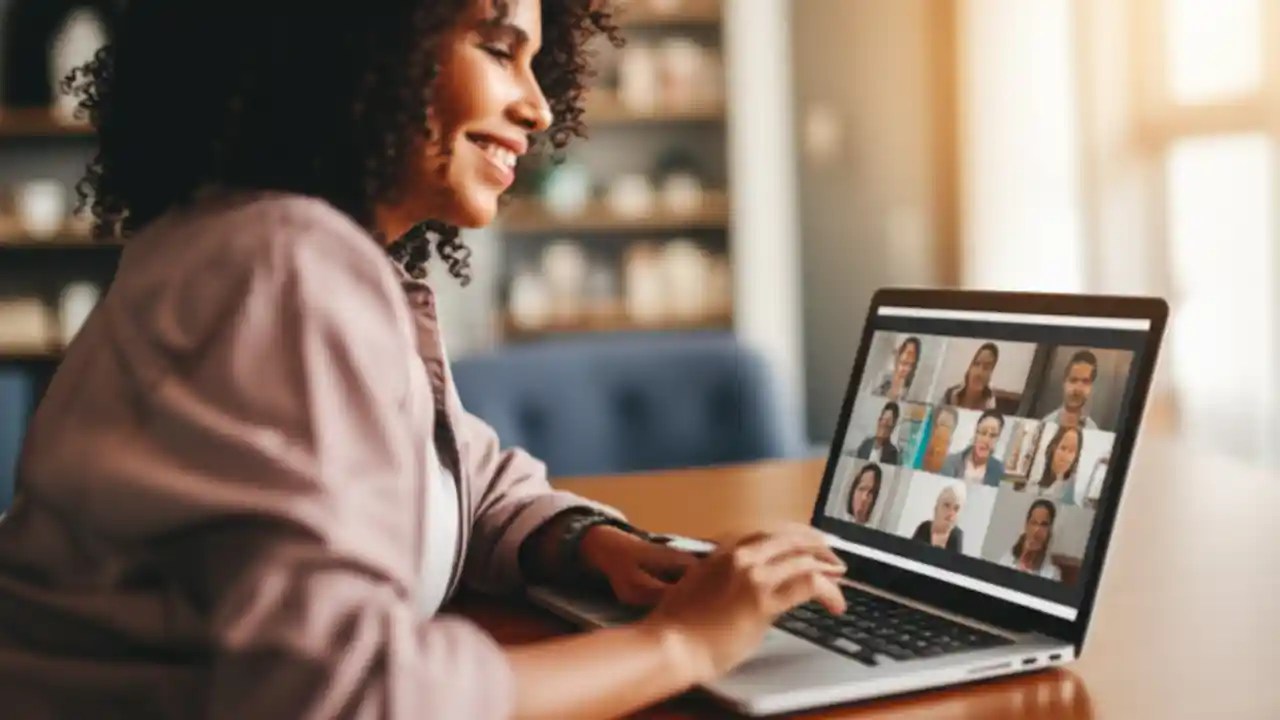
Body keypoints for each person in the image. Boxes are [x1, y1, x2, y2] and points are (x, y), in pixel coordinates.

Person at [0, 3, 850, 718]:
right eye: (497, 47)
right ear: (351, 40)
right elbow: (351, 699)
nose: (539, 107)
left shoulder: (276, 249)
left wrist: (584, 541)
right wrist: (684, 642)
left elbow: (452, 474)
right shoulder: (283, 268)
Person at [939, 409, 1007, 487]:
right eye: (983, 432)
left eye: (992, 435)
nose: (986, 440)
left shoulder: (999, 472)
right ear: (975, 433)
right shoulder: (950, 463)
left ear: (998, 439)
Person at [999, 500, 1062, 581]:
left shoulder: (1052, 574)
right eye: (1034, 523)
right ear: (1026, 525)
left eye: (1044, 524)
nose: (1037, 530)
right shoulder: (1007, 558)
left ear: (1050, 530)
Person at [1041, 350, 1100, 430]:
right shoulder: (1045, 424)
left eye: (1085, 382)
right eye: (1073, 380)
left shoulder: (1093, 430)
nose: (1078, 389)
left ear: (1092, 387)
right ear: (1064, 382)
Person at [1032, 425, 1083, 505]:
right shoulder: (1032, 485)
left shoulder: (1070, 497)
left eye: (1072, 451)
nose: (1066, 456)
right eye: (1063, 448)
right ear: (1053, 448)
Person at [941, 342, 1000, 410]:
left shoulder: (990, 405)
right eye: (976, 364)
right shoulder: (950, 396)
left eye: (986, 368)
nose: (979, 373)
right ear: (969, 368)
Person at [910, 483, 966, 552]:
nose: (951, 513)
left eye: (956, 508)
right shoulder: (924, 527)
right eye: (947, 505)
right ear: (937, 507)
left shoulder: (956, 536)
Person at [875, 336, 921, 401]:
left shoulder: (910, 389)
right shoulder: (885, 378)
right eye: (905, 351)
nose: (907, 355)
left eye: (911, 353)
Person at [920, 405, 958, 473]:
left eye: (948, 427)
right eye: (942, 424)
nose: (943, 431)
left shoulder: (952, 466)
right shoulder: (919, 452)